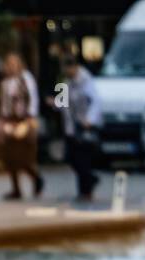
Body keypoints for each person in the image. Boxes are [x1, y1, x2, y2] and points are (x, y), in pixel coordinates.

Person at [0, 52, 41, 199]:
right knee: (10, 157)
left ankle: (37, 179)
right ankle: (16, 189)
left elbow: (33, 99)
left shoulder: (26, 79)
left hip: (25, 120)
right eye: (8, 64)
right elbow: (4, 103)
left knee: (24, 157)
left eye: (13, 64)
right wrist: (4, 120)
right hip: (11, 120)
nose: (10, 67)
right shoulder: (5, 83)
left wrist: (29, 118)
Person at [62, 56, 102, 203]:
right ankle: (90, 180)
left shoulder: (86, 81)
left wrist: (89, 120)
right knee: (71, 158)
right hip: (71, 127)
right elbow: (63, 103)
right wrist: (54, 102)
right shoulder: (66, 82)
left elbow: (96, 101)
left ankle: (85, 191)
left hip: (84, 126)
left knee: (82, 159)